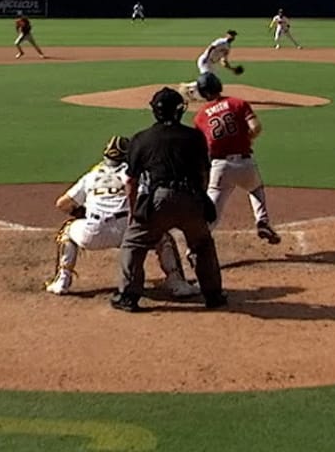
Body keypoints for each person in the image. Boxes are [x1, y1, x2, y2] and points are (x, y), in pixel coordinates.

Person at [112, 88, 226, 312]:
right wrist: (201, 200)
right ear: (179, 111)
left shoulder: (141, 138)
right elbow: (204, 173)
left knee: (134, 243)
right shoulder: (194, 136)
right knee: (202, 244)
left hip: (157, 200)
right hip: (191, 197)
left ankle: (128, 297)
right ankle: (213, 296)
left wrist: (135, 211)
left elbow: (131, 181)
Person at [44, 135, 198, 298]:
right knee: (164, 238)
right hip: (129, 231)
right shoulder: (134, 174)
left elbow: (62, 204)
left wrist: (82, 214)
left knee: (68, 230)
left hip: (94, 232)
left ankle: (62, 281)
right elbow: (148, 200)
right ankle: (176, 283)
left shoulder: (91, 176)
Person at [192, 72, 281, 245]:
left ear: (203, 93)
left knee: (212, 213)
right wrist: (247, 139)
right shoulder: (238, 103)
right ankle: (262, 220)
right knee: (255, 189)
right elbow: (256, 127)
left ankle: (196, 246)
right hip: (245, 163)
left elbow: (200, 147)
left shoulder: (200, 116)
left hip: (219, 167)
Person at [182, 30, 240, 102]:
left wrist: (232, 69)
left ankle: (190, 89)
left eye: (234, 35)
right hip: (205, 61)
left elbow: (223, 61)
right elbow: (211, 47)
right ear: (227, 35)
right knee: (207, 79)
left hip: (212, 64)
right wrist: (206, 57)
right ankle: (188, 87)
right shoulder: (221, 41)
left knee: (213, 79)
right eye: (231, 35)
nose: (232, 37)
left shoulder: (228, 47)